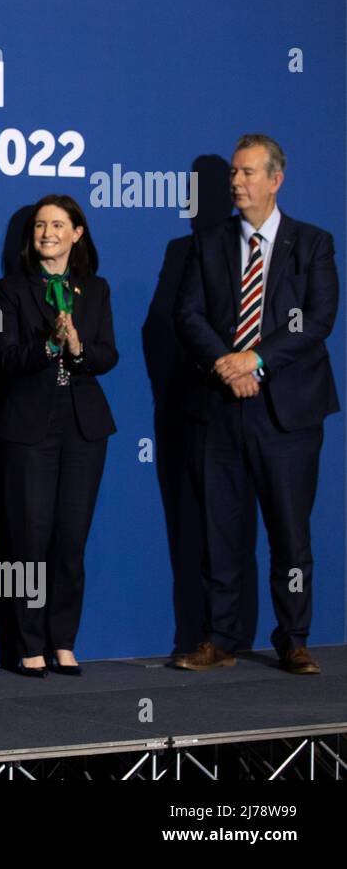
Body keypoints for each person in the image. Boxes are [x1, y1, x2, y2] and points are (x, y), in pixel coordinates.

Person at [173, 134, 339, 675]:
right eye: (233, 175)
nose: (238, 184)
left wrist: (256, 361)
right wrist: (229, 362)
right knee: (221, 528)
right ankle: (220, 638)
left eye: (248, 173)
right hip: (221, 409)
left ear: (276, 179)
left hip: (288, 414)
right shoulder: (206, 243)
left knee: (290, 532)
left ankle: (293, 640)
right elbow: (188, 316)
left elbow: (317, 322)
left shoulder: (312, 243)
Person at [0, 195, 117, 677]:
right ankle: (28, 643)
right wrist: (47, 344)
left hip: (84, 428)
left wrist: (78, 348)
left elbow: (107, 355)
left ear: (78, 232)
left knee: (70, 541)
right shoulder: (4, 293)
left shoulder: (95, 290)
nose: (47, 232)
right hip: (25, 429)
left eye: (58, 224)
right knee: (27, 541)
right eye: (39, 225)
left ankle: (64, 641)